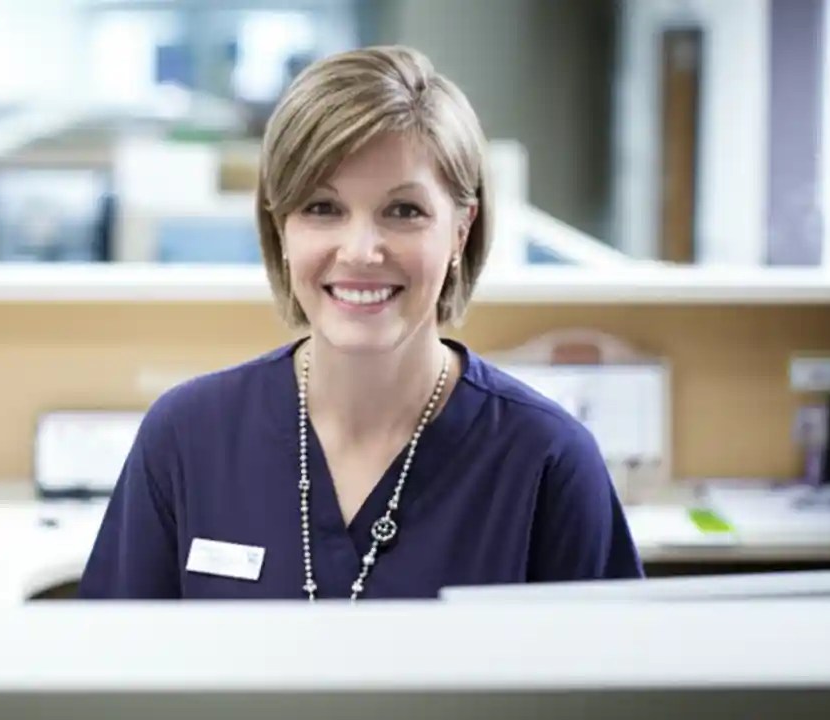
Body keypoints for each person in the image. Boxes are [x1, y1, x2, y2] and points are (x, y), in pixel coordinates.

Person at [79, 45, 643, 600]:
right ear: (280, 228)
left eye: (404, 211)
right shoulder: (187, 438)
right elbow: (112, 676)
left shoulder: (547, 461)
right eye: (322, 208)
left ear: (461, 230)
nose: (361, 250)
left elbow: (608, 689)